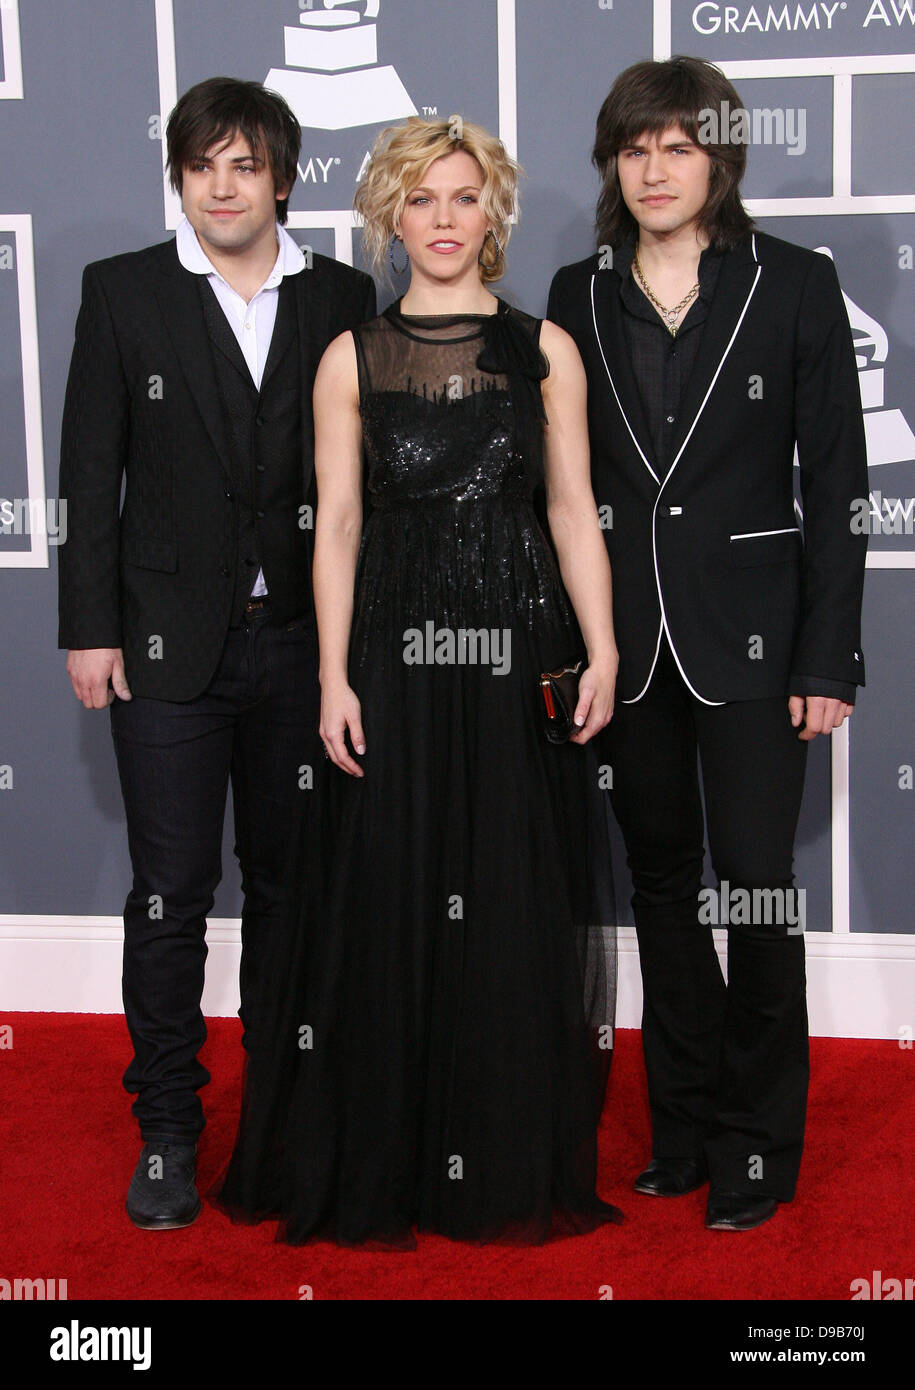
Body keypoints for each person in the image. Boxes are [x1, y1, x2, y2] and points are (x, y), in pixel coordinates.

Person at [211, 115, 621, 1246]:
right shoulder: (352, 356)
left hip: (512, 649)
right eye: (422, 199)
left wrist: (607, 647)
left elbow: (571, 510)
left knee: (504, 895)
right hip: (391, 652)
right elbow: (335, 524)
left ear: (492, 212)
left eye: (463, 196)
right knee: (389, 895)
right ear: (392, 214)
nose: (443, 219)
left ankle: (492, 1153)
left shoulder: (547, 351)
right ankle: (391, 1148)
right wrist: (335, 675)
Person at [548, 56, 868, 1231]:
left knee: (760, 889)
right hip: (627, 648)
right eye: (635, 148)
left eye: (678, 146)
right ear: (613, 165)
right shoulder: (575, 294)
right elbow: (566, 491)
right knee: (663, 890)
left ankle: (756, 1141)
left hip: (757, 644)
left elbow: (837, 482)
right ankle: (680, 1123)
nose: (654, 168)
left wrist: (828, 659)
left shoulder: (793, 284)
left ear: (720, 158)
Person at [57, 76, 376, 1230]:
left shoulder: (342, 292)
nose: (225, 184)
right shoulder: (125, 292)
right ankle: (169, 1134)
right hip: (162, 652)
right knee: (170, 898)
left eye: (246, 165)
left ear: (283, 177)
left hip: (300, 648)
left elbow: (359, 487)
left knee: (296, 893)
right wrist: (89, 625)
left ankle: (288, 1119)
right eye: (204, 166)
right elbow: (92, 472)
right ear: (182, 178)